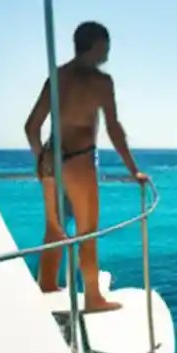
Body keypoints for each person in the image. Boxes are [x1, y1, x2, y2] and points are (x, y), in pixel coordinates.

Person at [23, 20, 149, 313]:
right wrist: (133, 170)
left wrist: (40, 159)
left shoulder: (58, 77)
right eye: (106, 46)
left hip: (51, 162)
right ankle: (93, 298)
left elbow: (31, 127)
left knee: (53, 231)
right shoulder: (100, 83)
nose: (108, 52)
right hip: (79, 161)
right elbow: (114, 129)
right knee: (87, 234)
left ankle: (47, 285)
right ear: (94, 45)